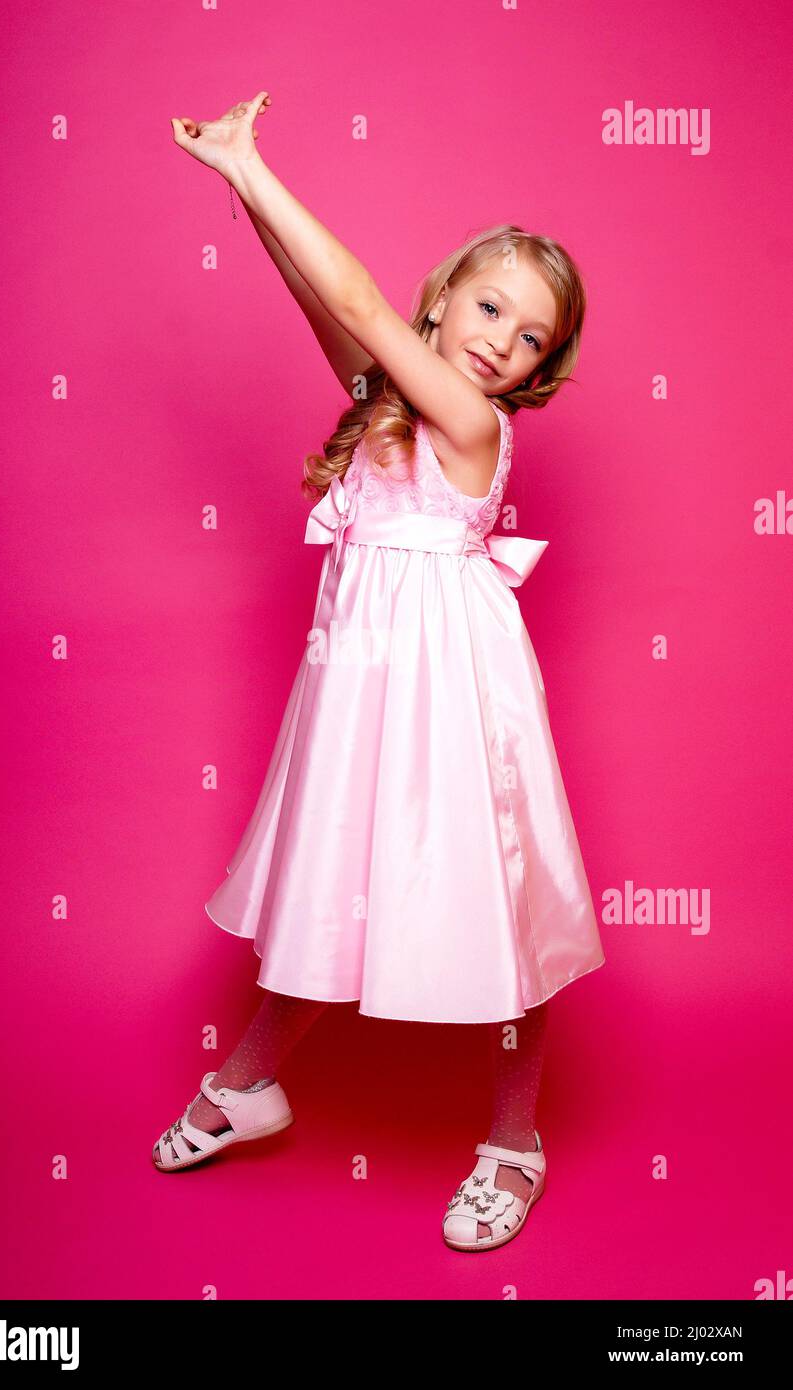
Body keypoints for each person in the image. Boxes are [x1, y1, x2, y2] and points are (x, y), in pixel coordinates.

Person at [154, 93, 605, 1253]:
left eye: (529, 338)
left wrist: (256, 162)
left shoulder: (466, 418)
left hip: (451, 700)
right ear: (447, 293)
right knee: (334, 886)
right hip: (360, 695)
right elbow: (325, 300)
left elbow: (355, 294)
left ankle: (515, 1135)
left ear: (533, 370)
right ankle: (254, 1085)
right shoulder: (388, 400)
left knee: (496, 915)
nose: (501, 340)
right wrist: (236, 186)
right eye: (491, 306)